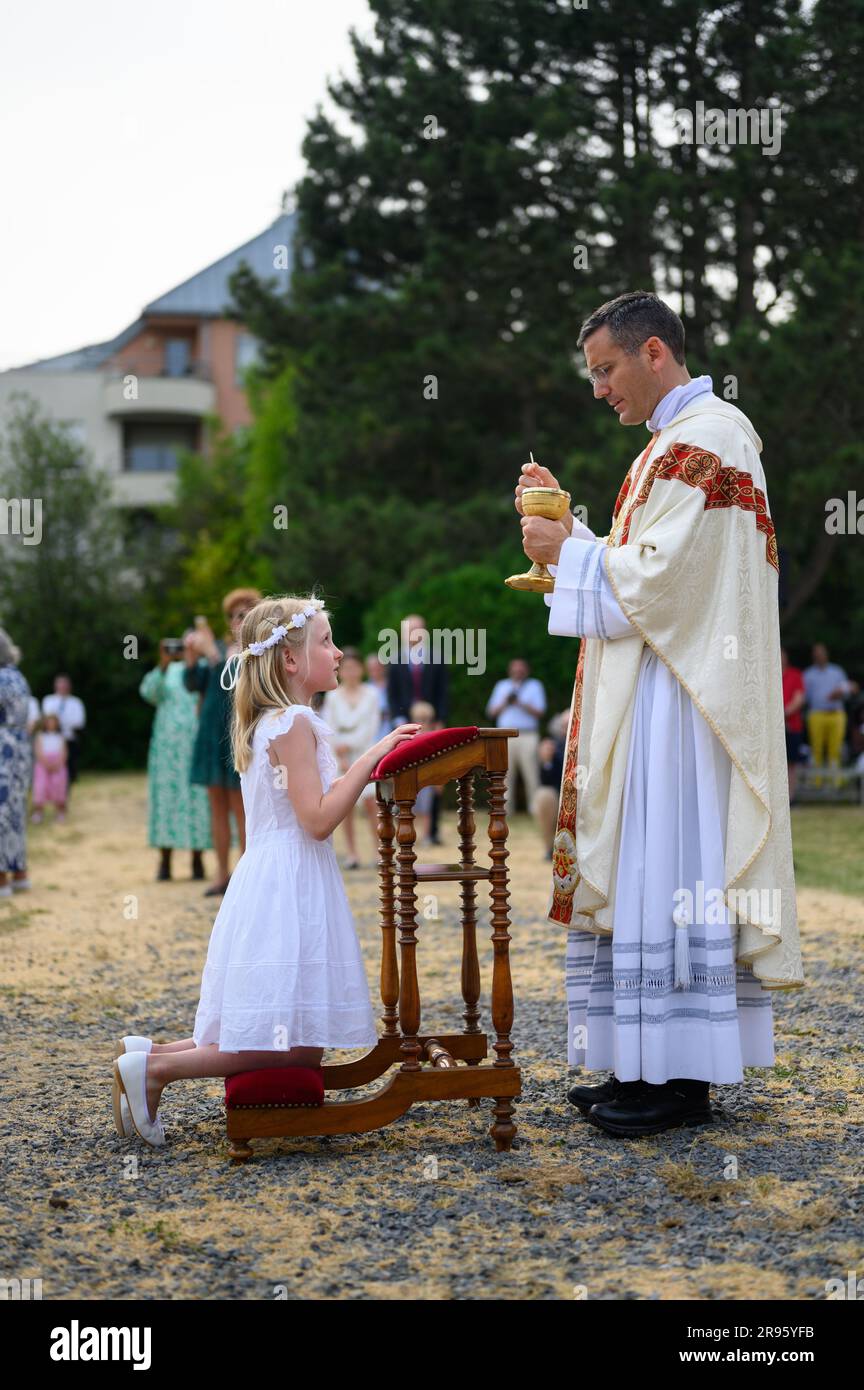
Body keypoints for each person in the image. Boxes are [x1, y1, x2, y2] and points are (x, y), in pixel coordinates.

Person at [517, 289, 803, 1138]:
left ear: (653, 353)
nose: (599, 388)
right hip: (662, 695)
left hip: (687, 709)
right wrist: (571, 532)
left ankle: (678, 1078)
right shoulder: (668, 446)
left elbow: (666, 582)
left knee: (670, 873)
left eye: (606, 369)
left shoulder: (712, 436)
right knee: (652, 873)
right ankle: (643, 1062)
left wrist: (570, 551)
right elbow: (648, 567)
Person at [111, 594, 421, 1145]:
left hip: (274, 875)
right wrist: (370, 761)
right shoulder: (293, 723)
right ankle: (157, 1070)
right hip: (288, 884)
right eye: (325, 640)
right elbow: (318, 819)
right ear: (291, 661)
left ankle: (150, 1053)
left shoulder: (272, 721)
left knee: (301, 1042)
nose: (338, 650)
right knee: (280, 1036)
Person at [184, 588, 261, 896]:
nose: (237, 621)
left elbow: (234, 681)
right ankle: (221, 873)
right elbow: (194, 684)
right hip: (211, 733)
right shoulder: (218, 648)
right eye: (233, 616)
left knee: (242, 807)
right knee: (216, 806)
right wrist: (192, 660)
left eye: (243, 614)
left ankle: (246, 875)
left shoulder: (259, 651)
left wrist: (211, 655)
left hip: (240, 735)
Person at [140, 638, 212, 882]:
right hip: (167, 750)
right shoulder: (164, 671)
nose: (178, 652)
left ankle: (197, 858)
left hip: (194, 745)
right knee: (166, 801)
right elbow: (149, 693)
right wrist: (162, 664)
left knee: (197, 802)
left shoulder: (202, 668)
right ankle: (165, 859)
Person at [386, 614, 449, 844]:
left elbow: (443, 692)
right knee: (403, 773)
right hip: (404, 726)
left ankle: (432, 831)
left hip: (431, 725)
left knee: (435, 774)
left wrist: (440, 720)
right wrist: (399, 721)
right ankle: (403, 825)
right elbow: (392, 696)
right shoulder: (395, 661)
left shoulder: (436, 659)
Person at [321, 647, 381, 868]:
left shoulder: (372, 694)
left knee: (372, 803)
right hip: (339, 755)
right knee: (344, 805)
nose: (351, 672)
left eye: (355, 668)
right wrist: (340, 750)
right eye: (346, 668)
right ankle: (352, 853)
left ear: (361, 670)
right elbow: (329, 726)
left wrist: (351, 746)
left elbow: (370, 727)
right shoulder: (333, 695)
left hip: (366, 751)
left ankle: (379, 851)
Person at [486, 659, 547, 818]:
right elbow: (491, 712)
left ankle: (536, 811)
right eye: (515, 669)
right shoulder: (502, 686)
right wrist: (506, 701)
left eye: (521, 669)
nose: (518, 672)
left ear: (526, 671)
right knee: (505, 775)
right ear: (510, 671)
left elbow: (540, 712)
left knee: (531, 774)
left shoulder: (535, 686)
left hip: (527, 735)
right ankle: (505, 810)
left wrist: (520, 703)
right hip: (505, 736)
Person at [0, 629, 32, 898]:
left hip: (3, 748)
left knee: (1, 813)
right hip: (20, 746)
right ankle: (20, 873)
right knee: (16, 811)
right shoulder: (18, 677)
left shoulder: (0, 678)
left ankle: (1, 879)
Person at [802, 643, 859, 789]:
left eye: (821, 652)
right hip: (816, 714)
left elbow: (848, 690)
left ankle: (835, 782)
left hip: (836, 714)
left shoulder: (837, 671)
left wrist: (842, 692)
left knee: (836, 748)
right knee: (816, 749)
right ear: (813, 655)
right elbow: (804, 697)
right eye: (816, 653)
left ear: (826, 654)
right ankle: (817, 782)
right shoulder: (808, 674)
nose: (819, 655)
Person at [531, 712, 568, 858]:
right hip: (560, 795)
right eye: (564, 726)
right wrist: (546, 761)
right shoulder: (555, 747)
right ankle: (550, 848)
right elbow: (546, 781)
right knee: (543, 796)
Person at [42, 675, 86, 790]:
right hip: (51, 741)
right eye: (60, 685)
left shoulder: (76, 702)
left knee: (69, 768)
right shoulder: (48, 700)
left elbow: (79, 722)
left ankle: (66, 791)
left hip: (69, 739)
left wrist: (61, 723)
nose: (62, 687)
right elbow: (46, 718)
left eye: (65, 685)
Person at [408, 699, 439, 845]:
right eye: (418, 719)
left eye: (425, 719)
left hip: (428, 779)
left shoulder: (433, 737)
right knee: (411, 809)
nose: (422, 723)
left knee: (426, 810)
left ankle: (426, 836)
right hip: (412, 778)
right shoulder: (409, 736)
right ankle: (411, 835)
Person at [31, 714, 68, 824]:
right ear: (45, 724)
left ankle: (60, 813)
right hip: (42, 766)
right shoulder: (40, 736)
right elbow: (38, 751)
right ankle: (38, 813)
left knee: (59, 787)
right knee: (40, 788)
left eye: (53, 722)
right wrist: (46, 764)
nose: (51, 724)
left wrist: (58, 763)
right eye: (49, 722)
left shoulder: (61, 736)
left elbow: (64, 752)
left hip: (58, 766)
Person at [781, 648, 806, 803]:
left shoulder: (795, 675)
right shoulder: (767, 675)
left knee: (791, 763)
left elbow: (799, 699)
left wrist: (782, 714)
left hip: (791, 725)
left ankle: (790, 797)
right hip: (774, 727)